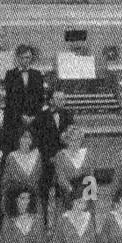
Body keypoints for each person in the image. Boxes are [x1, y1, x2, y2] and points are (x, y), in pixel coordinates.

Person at [32, 89, 74, 219]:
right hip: (47, 159)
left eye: (64, 99)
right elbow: (39, 140)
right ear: (51, 101)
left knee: (63, 191)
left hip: (64, 159)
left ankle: (64, 219)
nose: (63, 102)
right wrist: (49, 156)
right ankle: (43, 219)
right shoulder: (41, 116)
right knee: (44, 191)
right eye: (59, 99)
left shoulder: (68, 114)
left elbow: (72, 137)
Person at [53, 126, 95, 213]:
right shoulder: (60, 155)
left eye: (78, 139)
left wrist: (89, 194)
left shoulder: (86, 153)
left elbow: (91, 175)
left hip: (86, 190)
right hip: (69, 192)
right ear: (67, 140)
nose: (76, 142)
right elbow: (61, 178)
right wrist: (73, 192)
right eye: (73, 140)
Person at [4, 44, 46, 132]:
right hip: (16, 118)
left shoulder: (37, 74)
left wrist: (34, 116)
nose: (25, 60)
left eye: (28, 57)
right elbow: (9, 98)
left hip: (34, 118)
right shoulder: (10, 74)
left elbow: (40, 98)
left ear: (31, 58)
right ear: (17, 58)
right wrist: (21, 116)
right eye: (22, 57)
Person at [1, 127, 44, 208]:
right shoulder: (11, 156)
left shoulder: (37, 155)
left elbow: (40, 178)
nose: (26, 140)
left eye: (29, 137)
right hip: (17, 200)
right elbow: (5, 181)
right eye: (24, 137)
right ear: (18, 138)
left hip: (34, 198)